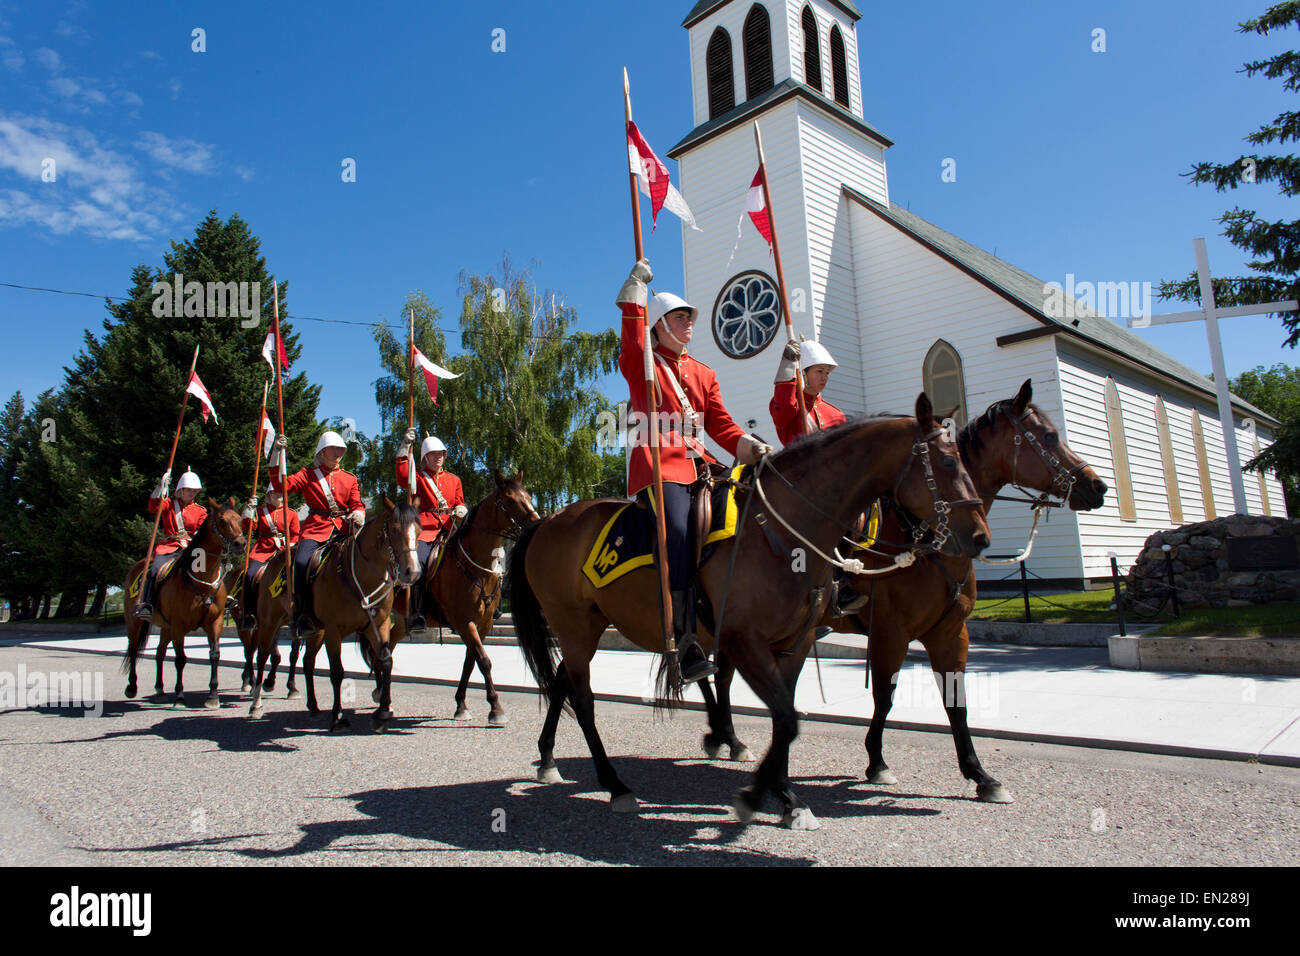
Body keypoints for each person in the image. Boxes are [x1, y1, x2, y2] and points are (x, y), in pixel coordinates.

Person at [616, 258, 771, 683]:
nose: (689, 324)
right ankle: (683, 640)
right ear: (661, 324)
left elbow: (720, 425)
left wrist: (748, 448)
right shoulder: (643, 361)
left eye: (690, 317)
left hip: (702, 462)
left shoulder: (704, 371)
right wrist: (634, 294)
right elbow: (632, 341)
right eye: (680, 318)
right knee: (680, 533)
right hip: (659, 464)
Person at [269, 430, 365, 634]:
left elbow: (357, 503)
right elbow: (280, 485)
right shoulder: (308, 475)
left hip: (343, 529)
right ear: (322, 452)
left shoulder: (350, 479)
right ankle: (302, 614)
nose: (338, 453)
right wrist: (277, 453)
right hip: (316, 528)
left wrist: (358, 512)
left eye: (341, 449)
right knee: (302, 563)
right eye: (333, 449)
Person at [395, 431, 468, 628]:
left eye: (441, 454)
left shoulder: (454, 480)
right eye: (434, 454)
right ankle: (418, 612)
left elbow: (459, 502)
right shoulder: (417, 477)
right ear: (425, 457)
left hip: (450, 529)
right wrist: (404, 449)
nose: (439, 457)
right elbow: (402, 478)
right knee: (419, 563)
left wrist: (461, 509)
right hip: (426, 530)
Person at [136, 468, 208, 622]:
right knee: (154, 571)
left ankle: (208, 600)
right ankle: (147, 604)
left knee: (205, 568)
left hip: (190, 546)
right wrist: (160, 488)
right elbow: (153, 508)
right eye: (189, 490)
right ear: (180, 490)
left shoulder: (200, 511)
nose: (192, 493)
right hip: (170, 545)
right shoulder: (168, 504)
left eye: (194, 490)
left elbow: (202, 530)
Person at [238, 485, 300, 630]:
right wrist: (249, 511)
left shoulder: (291, 514)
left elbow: (296, 534)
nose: (278, 497)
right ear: (269, 496)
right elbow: (247, 528)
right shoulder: (260, 512)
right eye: (274, 494)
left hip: (285, 551)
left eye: (281, 494)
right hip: (263, 550)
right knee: (249, 575)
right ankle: (249, 613)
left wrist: (290, 546)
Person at [769, 338, 847, 446]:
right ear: (803, 373)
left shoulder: (836, 414)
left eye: (827, 373)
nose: (824, 378)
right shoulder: (791, 406)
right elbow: (785, 405)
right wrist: (788, 365)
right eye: (819, 371)